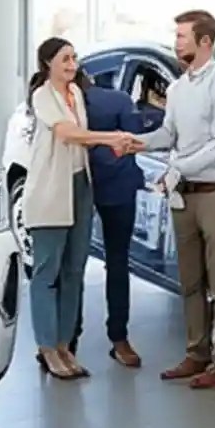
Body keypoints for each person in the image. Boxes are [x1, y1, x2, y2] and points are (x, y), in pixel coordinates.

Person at [137, 9, 215, 390]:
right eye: (176, 35)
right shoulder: (178, 89)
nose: (176, 42)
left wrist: (178, 168)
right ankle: (196, 353)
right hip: (185, 196)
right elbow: (168, 134)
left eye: (182, 36)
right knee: (190, 282)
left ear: (205, 42)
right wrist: (135, 142)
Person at [24, 37, 141, 381]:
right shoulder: (42, 95)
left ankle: (64, 345)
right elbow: (68, 133)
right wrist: (110, 137)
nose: (72, 64)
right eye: (65, 59)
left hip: (80, 186)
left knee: (75, 270)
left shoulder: (75, 93)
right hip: (51, 189)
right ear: (47, 63)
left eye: (74, 58)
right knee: (47, 272)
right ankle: (47, 347)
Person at [67, 68, 148, 368]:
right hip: (116, 185)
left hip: (75, 186)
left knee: (72, 264)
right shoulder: (118, 101)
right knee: (117, 262)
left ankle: (66, 341)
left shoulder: (58, 105)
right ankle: (119, 339)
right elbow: (135, 139)